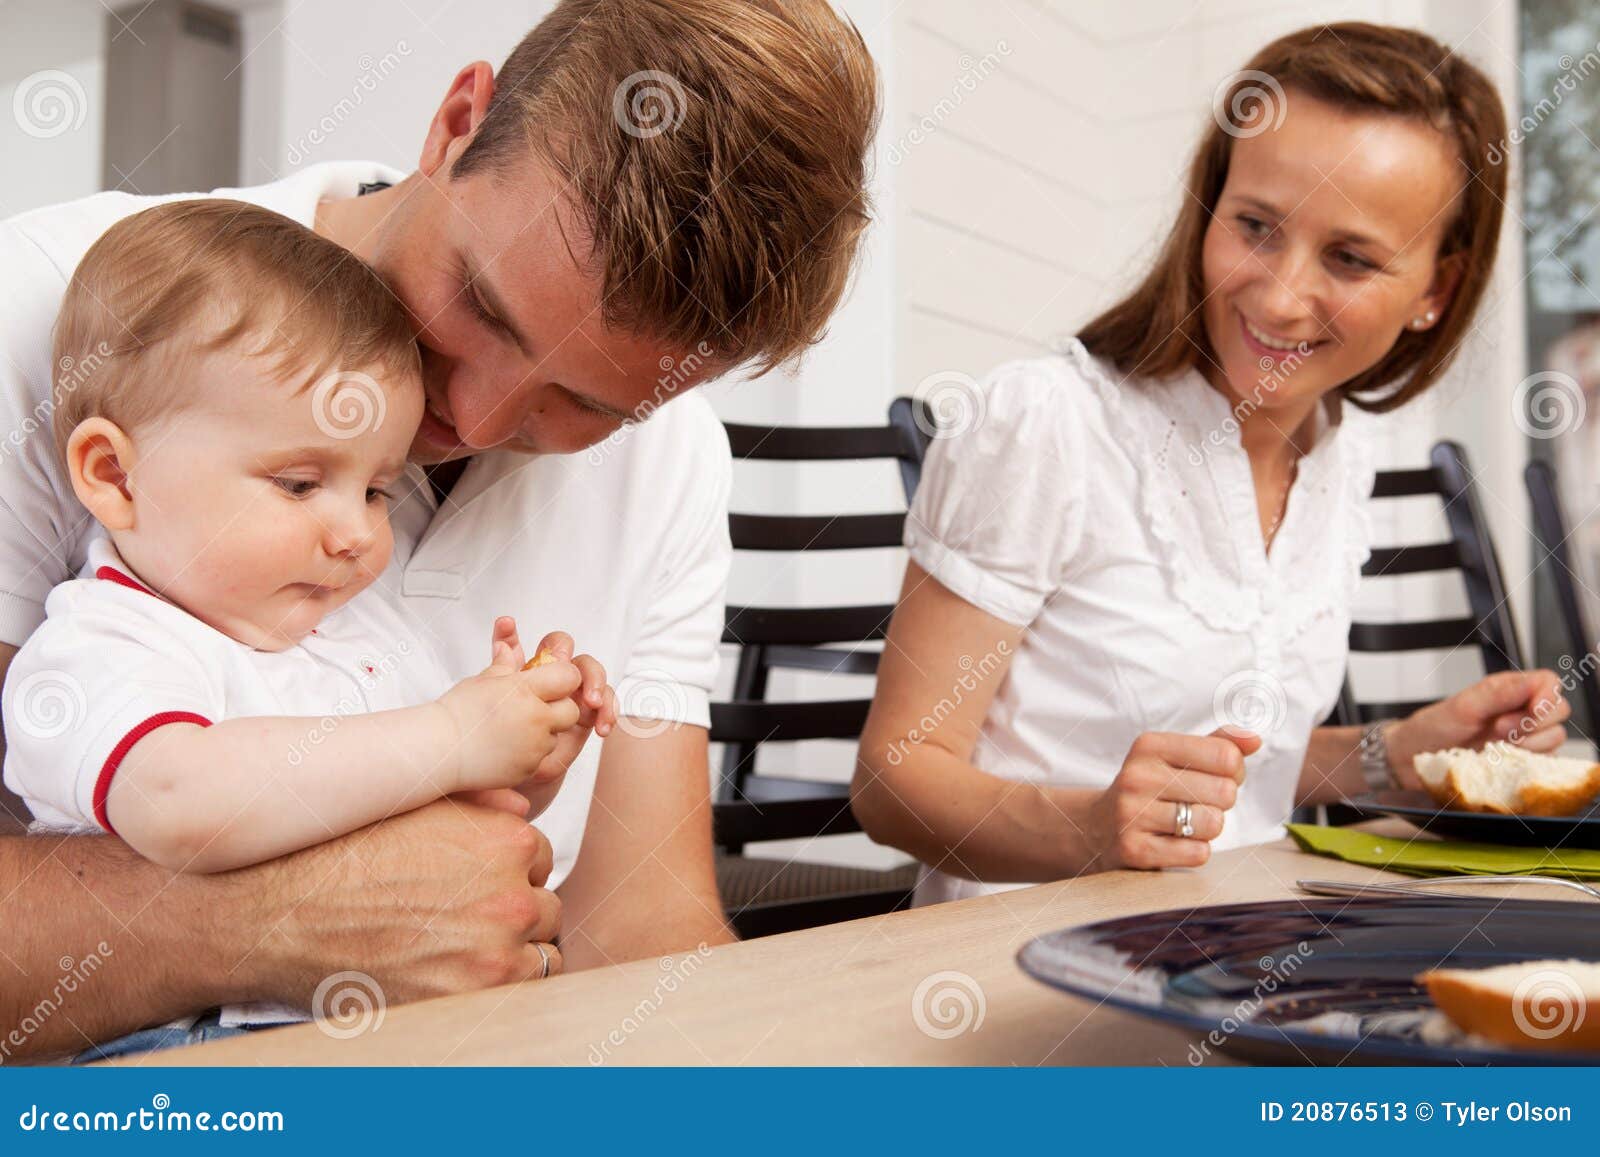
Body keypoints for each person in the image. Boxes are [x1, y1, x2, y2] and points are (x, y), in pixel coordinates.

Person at [0, 0, 877, 1058]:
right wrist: (262, 925)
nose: (477, 420)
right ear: (460, 118)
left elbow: (638, 928)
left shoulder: (674, 457)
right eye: (483, 306)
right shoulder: (50, 319)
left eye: (589, 408)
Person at [853, 22, 1569, 904]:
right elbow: (893, 779)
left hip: (1247, 941)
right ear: (1210, 207)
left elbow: (1235, 773)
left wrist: (1397, 751)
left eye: (1348, 257)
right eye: (1256, 226)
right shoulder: (1045, 421)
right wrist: (1091, 827)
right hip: (1023, 969)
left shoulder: (1341, 453)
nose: (1278, 295)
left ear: (1436, 292)